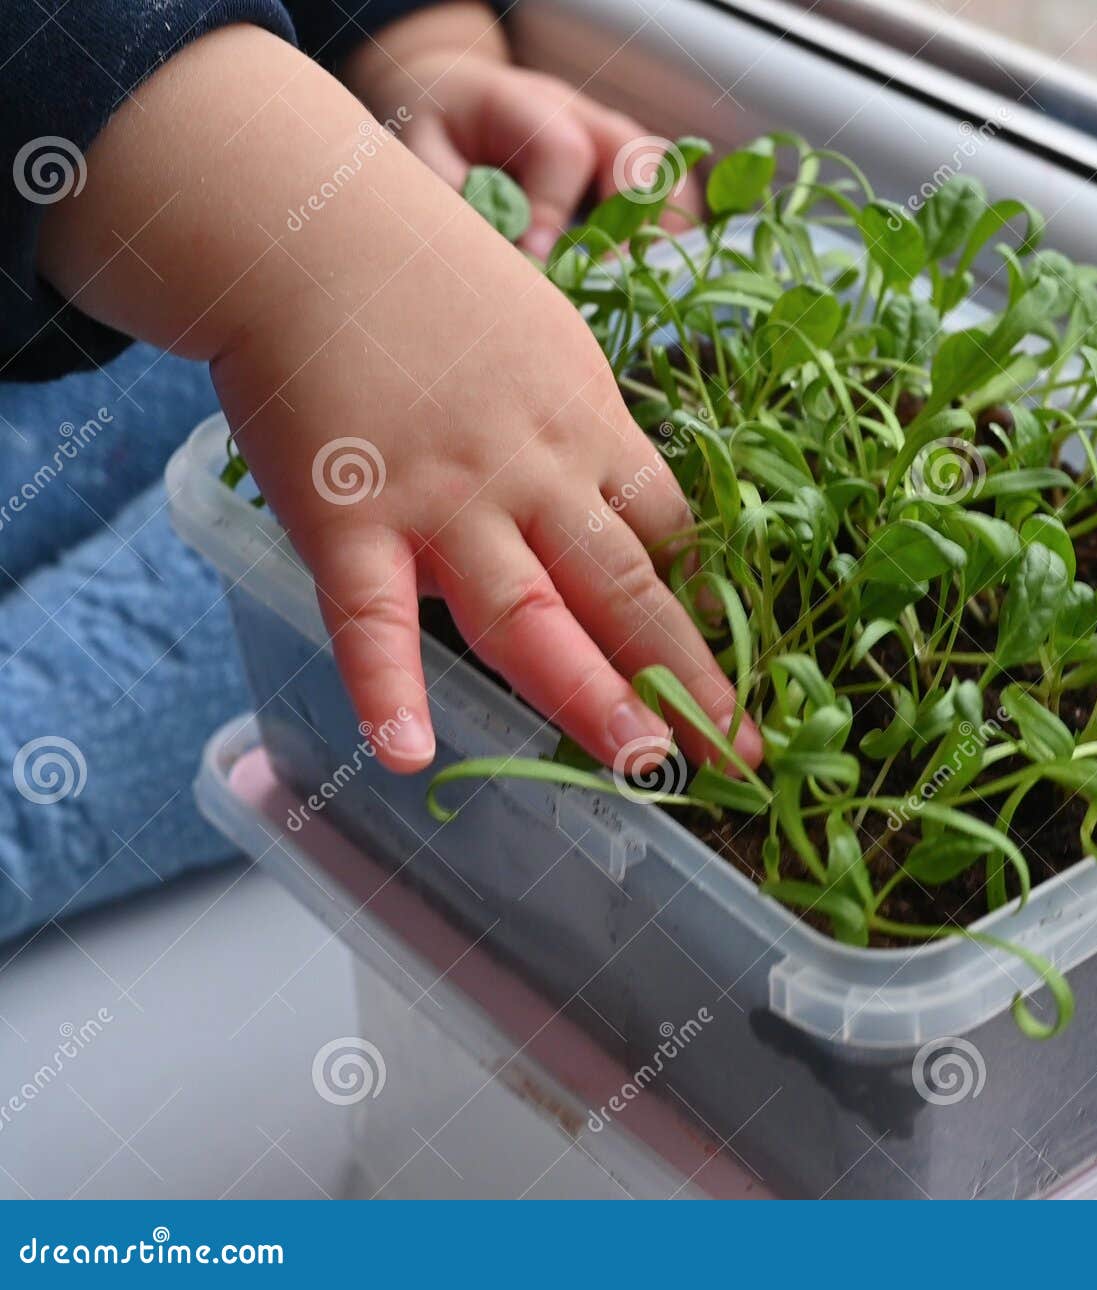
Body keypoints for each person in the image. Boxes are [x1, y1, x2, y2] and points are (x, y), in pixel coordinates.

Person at [0, 2, 757, 944]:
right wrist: (327, 249)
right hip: (153, 179)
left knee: (641, 325)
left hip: (196, 205)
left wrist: (411, 51)